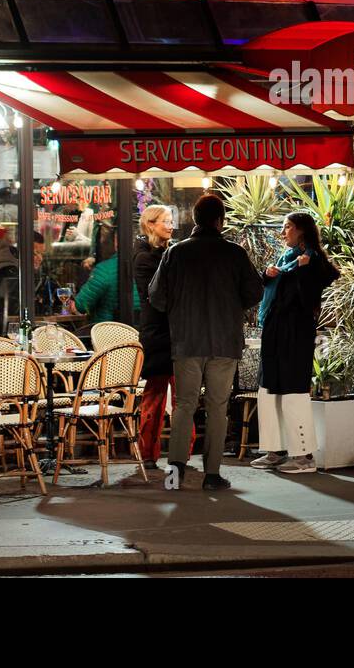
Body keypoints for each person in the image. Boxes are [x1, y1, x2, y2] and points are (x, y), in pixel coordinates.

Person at [148, 194, 263, 491]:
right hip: (225, 342)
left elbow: (157, 297)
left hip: (187, 341)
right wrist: (231, 304)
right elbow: (255, 292)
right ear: (219, 220)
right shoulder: (234, 253)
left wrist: (180, 307)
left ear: (195, 220)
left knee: (184, 406)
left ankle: (174, 476)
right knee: (217, 407)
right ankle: (212, 475)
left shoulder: (176, 253)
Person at [252, 211, 339, 475]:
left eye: (287, 227)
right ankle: (274, 451)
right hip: (275, 332)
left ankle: (303, 457)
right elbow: (267, 289)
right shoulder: (285, 258)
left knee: (293, 393)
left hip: (295, 333)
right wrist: (267, 275)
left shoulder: (313, 261)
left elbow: (315, 291)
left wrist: (302, 271)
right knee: (269, 391)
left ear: (302, 230)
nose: (283, 232)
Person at [133, 204, 183, 469]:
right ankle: (148, 453)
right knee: (155, 395)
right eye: (165, 221)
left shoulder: (169, 252)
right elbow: (158, 297)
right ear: (151, 224)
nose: (171, 225)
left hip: (176, 331)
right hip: (157, 332)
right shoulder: (144, 257)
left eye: (171, 220)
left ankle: (181, 452)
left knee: (182, 397)